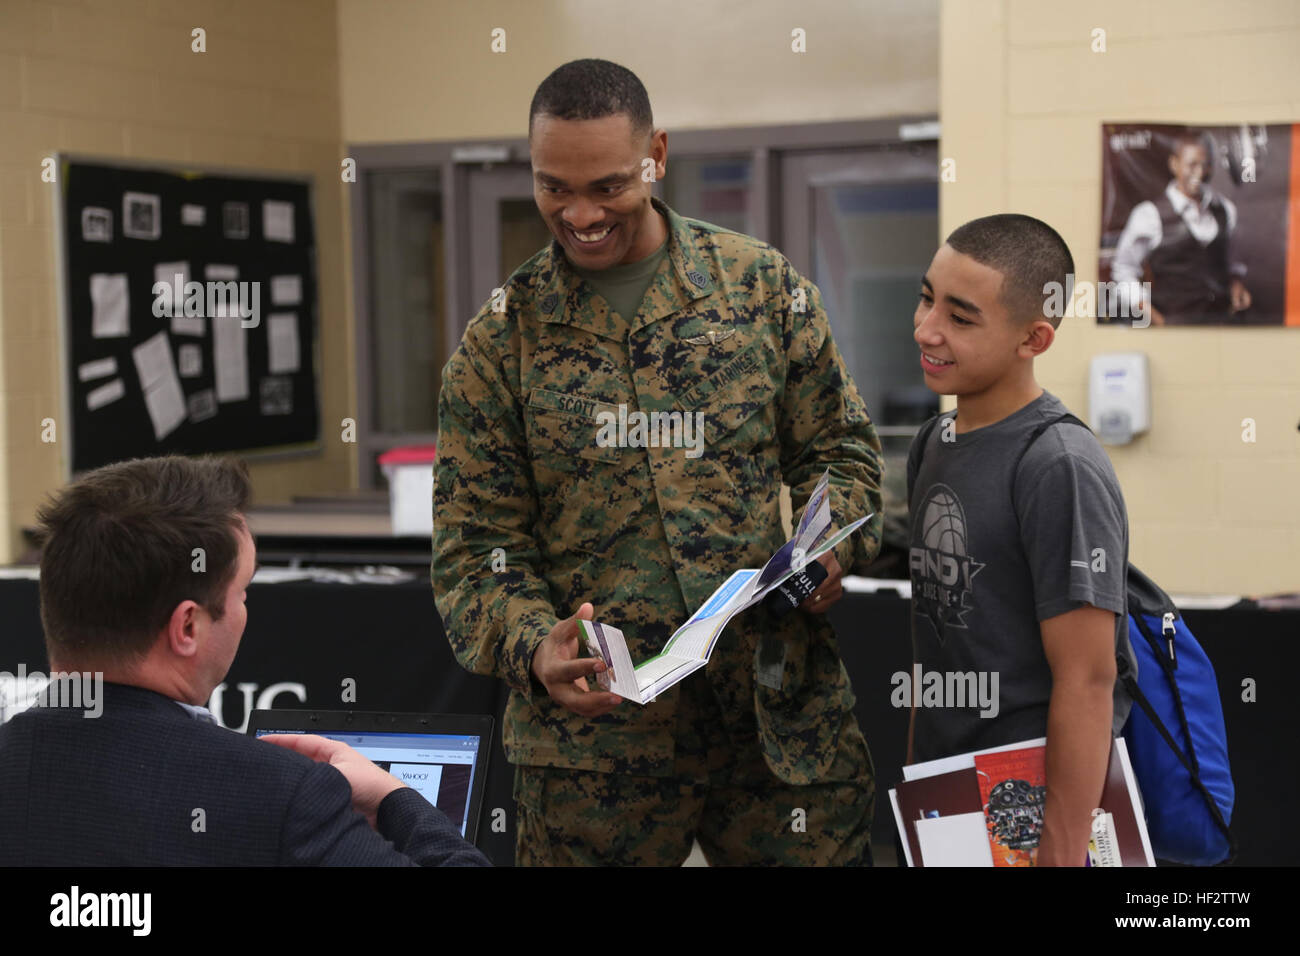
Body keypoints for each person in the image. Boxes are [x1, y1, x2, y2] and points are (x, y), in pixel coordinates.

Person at [432, 58, 883, 866]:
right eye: (552, 188)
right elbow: (474, 555)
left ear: (656, 156)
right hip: (596, 756)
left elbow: (841, 453)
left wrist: (828, 550)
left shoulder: (759, 289)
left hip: (777, 726)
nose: (579, 214)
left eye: (607, 186)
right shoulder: (501, 344)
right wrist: (536, 642)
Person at [0, 455, 489, 867]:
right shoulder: (284, 798)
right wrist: (393, 799)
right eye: (243, 593)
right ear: (187, 628)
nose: (244, 611)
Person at [906, 214, 1137, 866]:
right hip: (944, 797)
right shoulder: (934, 442)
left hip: (1030, 806)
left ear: (1033, 337)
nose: (927, 329)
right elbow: (938, 639)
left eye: (961, 316)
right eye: (926, 297)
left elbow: (1090, 680)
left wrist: (1060, 853)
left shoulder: (1058, 463)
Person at [1111, 130, 1251, 325]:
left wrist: (1237, 286)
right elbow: (1124, 271)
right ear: (1174, 164)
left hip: (1222, 324)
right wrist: (1155, 318)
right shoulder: (1149, 215)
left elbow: (1232, 264)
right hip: (1174, 325)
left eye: (1206, 165)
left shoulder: (1225, 209)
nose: (1200, 173)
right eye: (1192, 165)